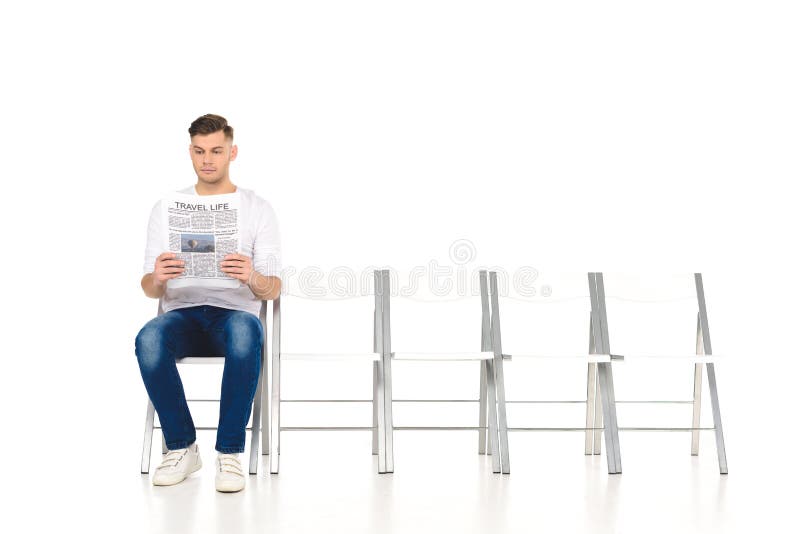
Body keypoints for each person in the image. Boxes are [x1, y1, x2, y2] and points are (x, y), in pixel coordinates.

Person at [135, 114, 281, 492]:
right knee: (148, 338)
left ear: (233, 152)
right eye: (199, 151)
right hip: (181, 317)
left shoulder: (257, 208)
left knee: (248, 332)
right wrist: (159, 277)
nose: (208, 160)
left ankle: (229, 453)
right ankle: (182, 447)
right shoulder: (166, 209)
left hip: (235, 318)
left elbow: (273, 288)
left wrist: (251, 276)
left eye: (216, 150)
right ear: (190, 152)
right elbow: (150, 288)